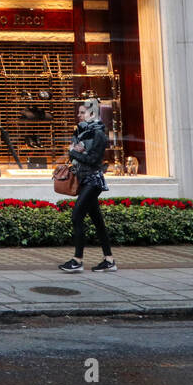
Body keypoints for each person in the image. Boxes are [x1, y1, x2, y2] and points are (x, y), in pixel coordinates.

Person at [60, 97, 115, 273]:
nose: (79, 115)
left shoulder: (98, 133)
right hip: (83, 180)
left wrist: (75, 153)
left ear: (92, 113)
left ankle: (77, 260)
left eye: (82, 112)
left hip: (93, 181)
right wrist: (75, 152)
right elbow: (74, 153)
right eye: (79, 112)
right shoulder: (80, 131)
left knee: (77, 216)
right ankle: (109, 260)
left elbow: (92, 160)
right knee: (98, 221)